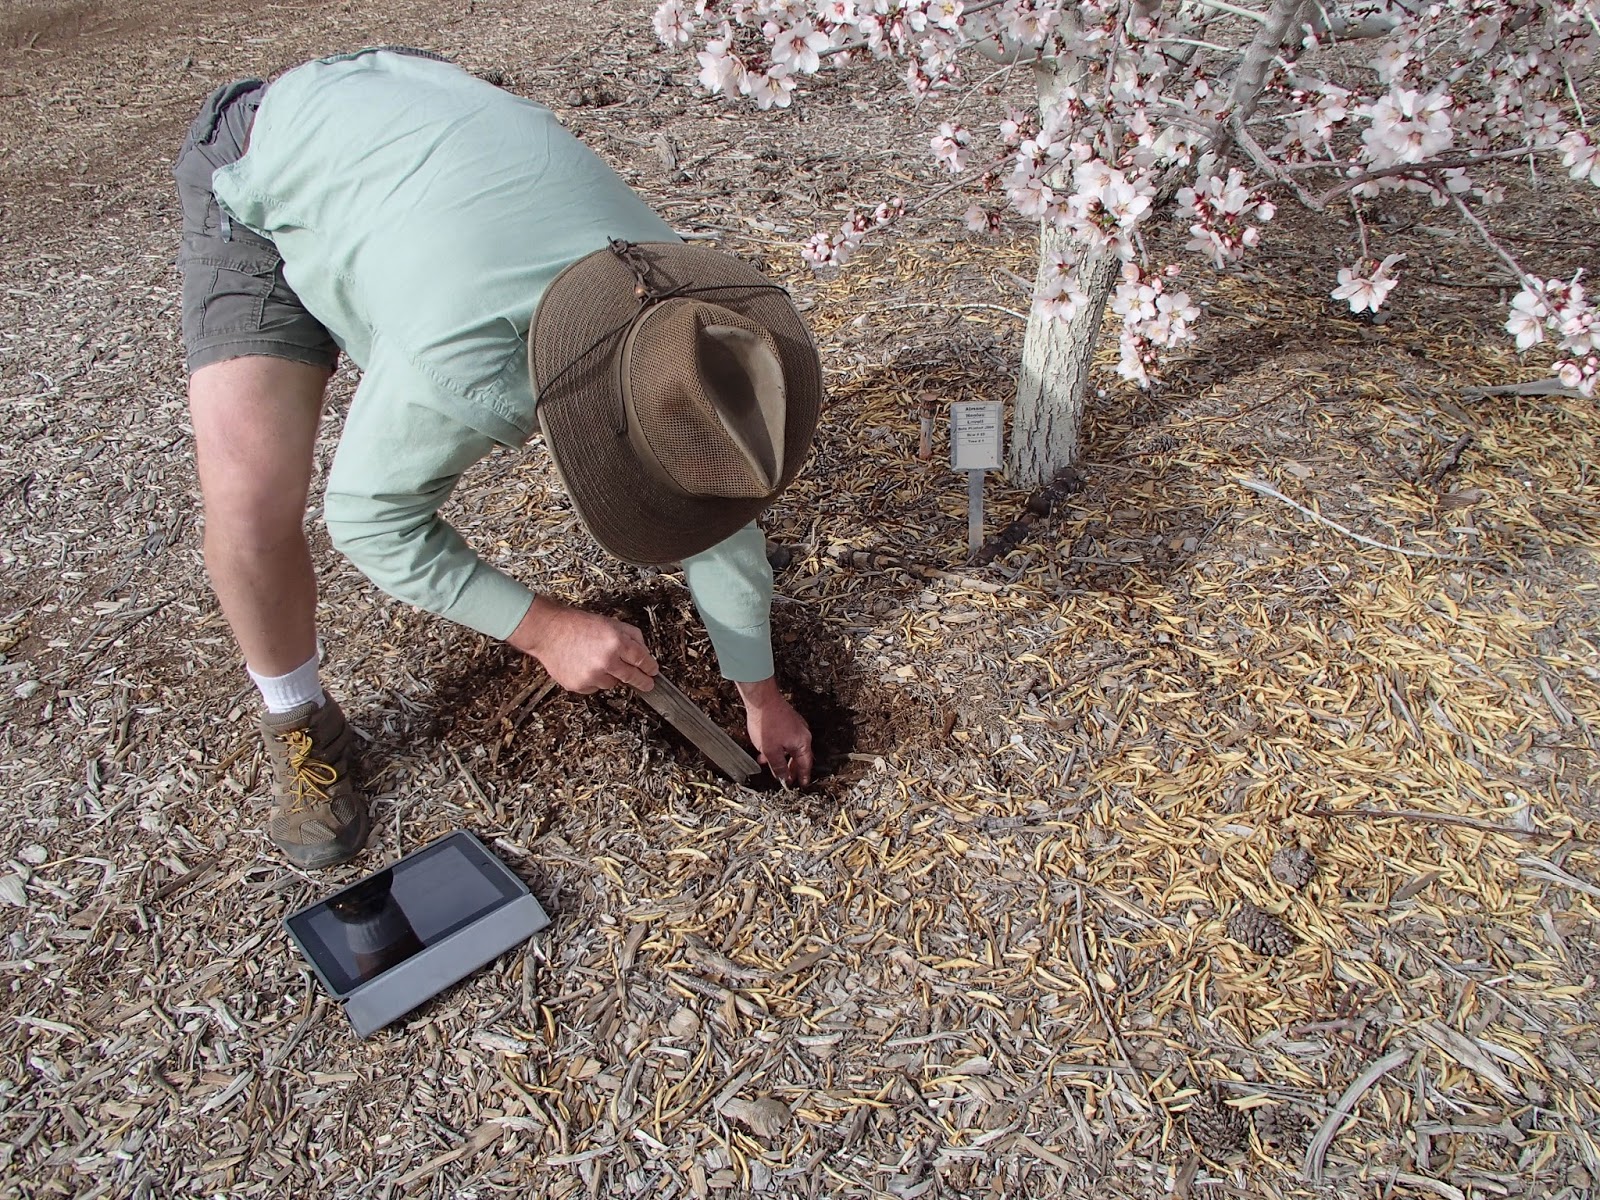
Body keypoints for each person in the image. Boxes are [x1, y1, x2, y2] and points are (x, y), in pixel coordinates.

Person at [173, 48, 821, 869]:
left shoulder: (681, 306)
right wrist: (544, 628)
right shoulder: (470, 368)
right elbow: (369, 520)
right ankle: (296, 717)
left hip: (417, 139)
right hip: (265, 155)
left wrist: (759, 694)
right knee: (252, 503)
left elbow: (713, 498)